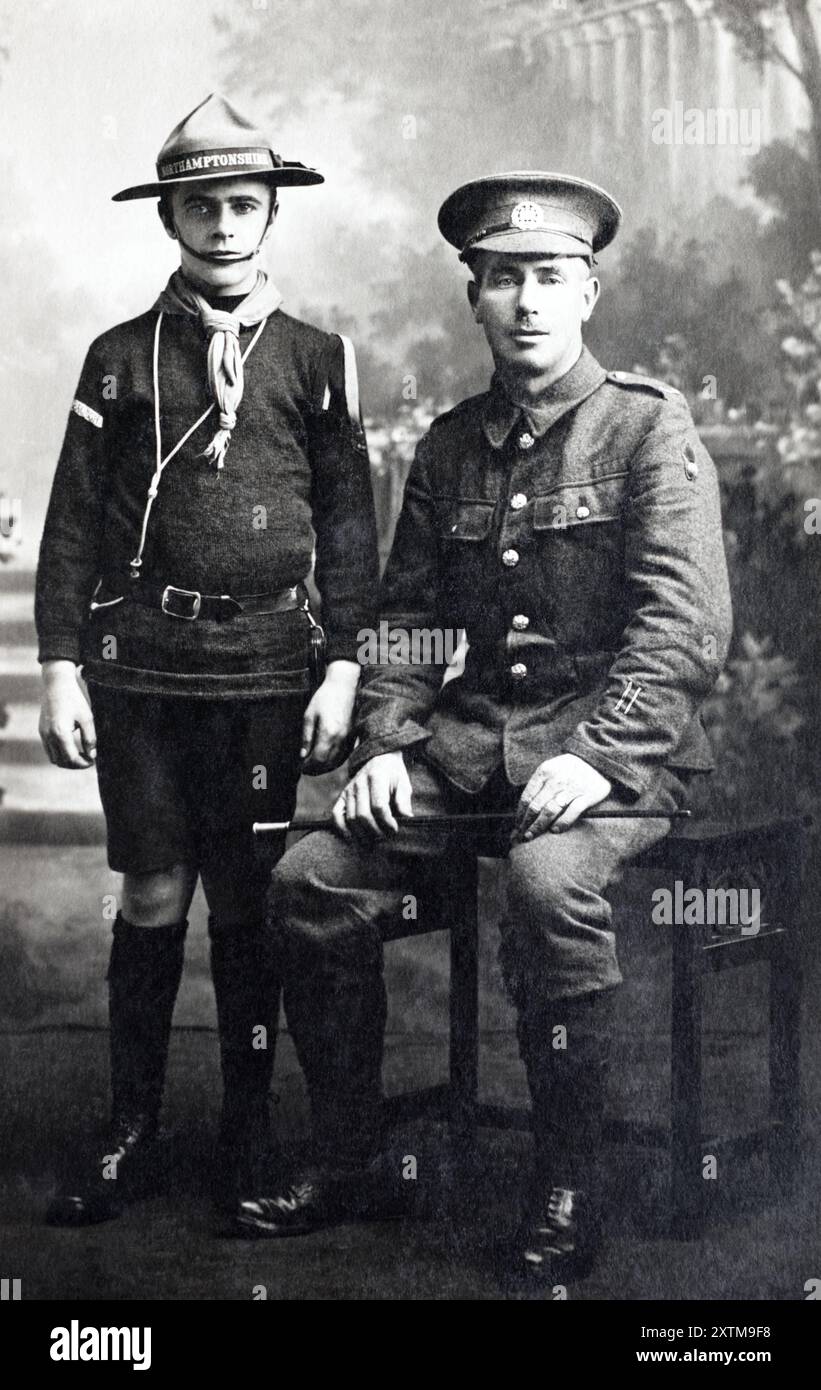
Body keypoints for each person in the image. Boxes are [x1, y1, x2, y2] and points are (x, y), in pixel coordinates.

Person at [233, 172, 733, 1282]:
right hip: (465, 754)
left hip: (616, 757)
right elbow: (406, 618)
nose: (525, 302)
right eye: (501, 279)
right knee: (311, 876)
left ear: (588, 291)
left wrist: (596, 759)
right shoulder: (451, 446)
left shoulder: (649, 428)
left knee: (550, 884)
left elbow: (681, 630)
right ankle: (350, 1154)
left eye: (548, 277)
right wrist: (386, 744)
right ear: (474, 297)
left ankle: (567, 1181)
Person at [35, 94, 379, 1226]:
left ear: (270, 212)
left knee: (248, 903)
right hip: (143, 670)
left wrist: (342, 668)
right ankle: (127, 1129)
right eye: (200, 206)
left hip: (271, 670)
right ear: (169, 219)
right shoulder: (119, 359)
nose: (222, 224)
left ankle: (246, 1131)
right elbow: (74, 524)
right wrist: (59, 665)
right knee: (151, 890)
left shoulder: (318, 359)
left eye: (242, 203)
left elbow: (350, 521)